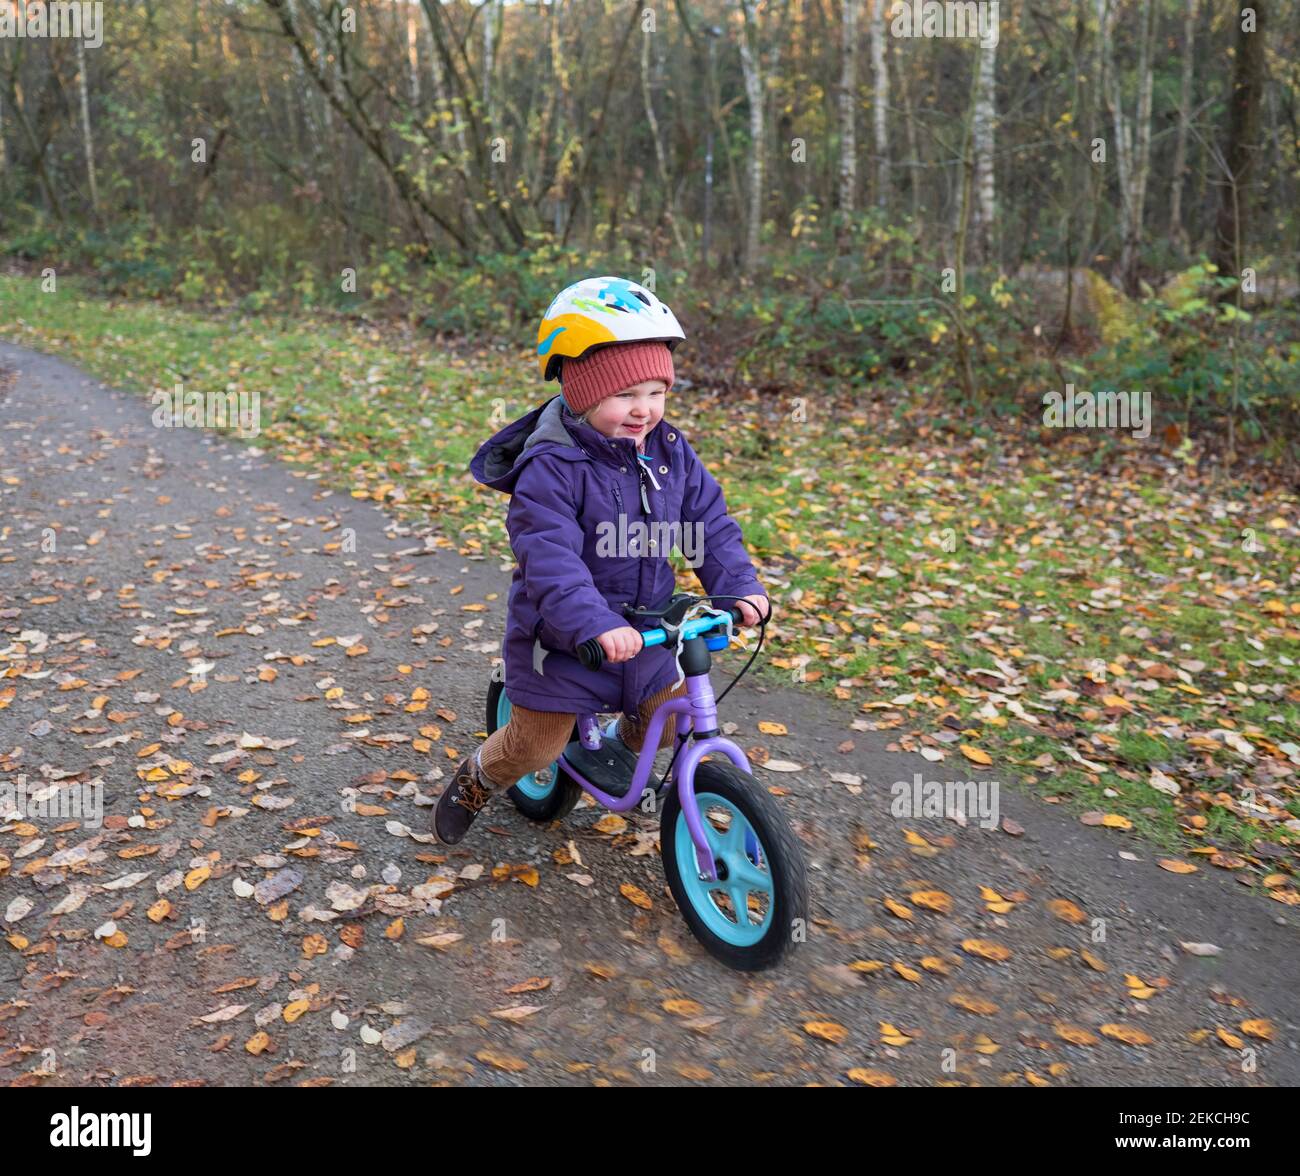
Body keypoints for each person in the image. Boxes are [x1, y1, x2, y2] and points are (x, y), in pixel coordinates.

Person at [434, 276, 772, 844]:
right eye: (625, 395)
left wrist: (737, 584)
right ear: (582, 391)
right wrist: (594, 623)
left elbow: (707, 523)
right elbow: (551, 560)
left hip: (648, 631)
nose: (644, 411)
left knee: (676, 716)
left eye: (656, 393)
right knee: (536, 745)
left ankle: (615, 750)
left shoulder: (668, 451)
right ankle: (477, 777)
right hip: (565, 639)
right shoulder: (552, 467)